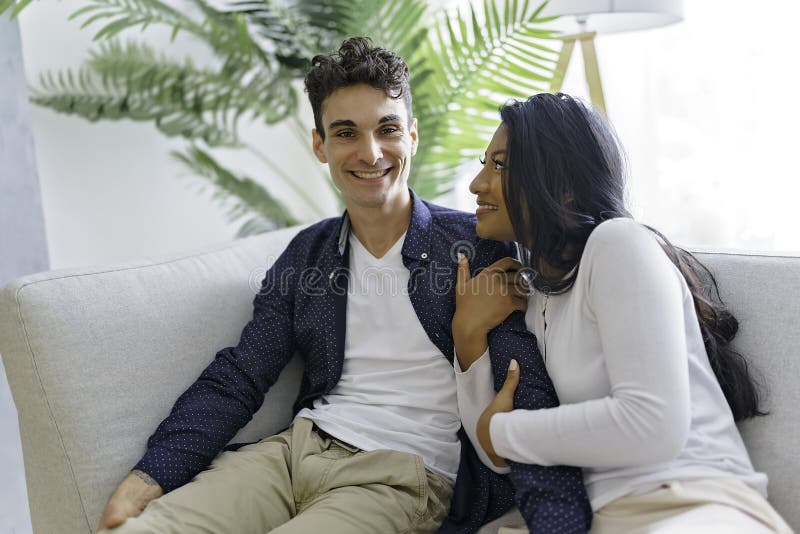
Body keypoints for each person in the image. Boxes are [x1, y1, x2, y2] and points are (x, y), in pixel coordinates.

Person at [96, 40, 591, 534]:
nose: (370, 152)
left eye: (388, 129)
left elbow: (525, 390)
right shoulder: (307, 256)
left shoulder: (474, 248)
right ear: (321, 146)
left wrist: (560, 523)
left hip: (399, 477)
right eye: (346, 133)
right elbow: (242, 375)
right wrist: (148, 477)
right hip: (292, 455)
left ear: (413, 136)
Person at [454, 92, 793, 533]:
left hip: (690, 504)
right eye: (484, 163)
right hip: (604, 519)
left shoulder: (618, 245)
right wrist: (468, 333)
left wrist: (503, 431)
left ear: (562, 183)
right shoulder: (532, 293)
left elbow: (652, 424)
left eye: (500, 165)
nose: (477, 184)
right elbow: (497, 456)